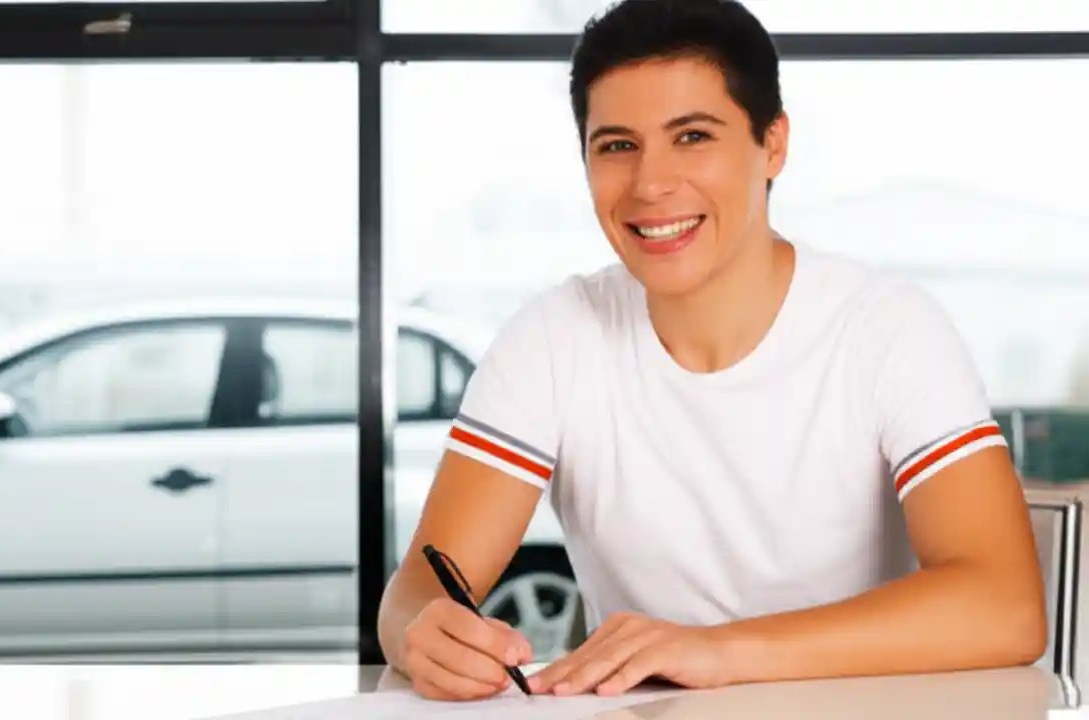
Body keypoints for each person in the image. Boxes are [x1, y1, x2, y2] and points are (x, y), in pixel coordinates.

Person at [377, 0, 1047, 702]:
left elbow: (1004, 604)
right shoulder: (553, 337)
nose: (650, 184)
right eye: (616, 145)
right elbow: (419, 588)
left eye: (692, 136)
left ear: (773, 144)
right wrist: (422, 630)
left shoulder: (887, 330)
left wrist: (715, 653)